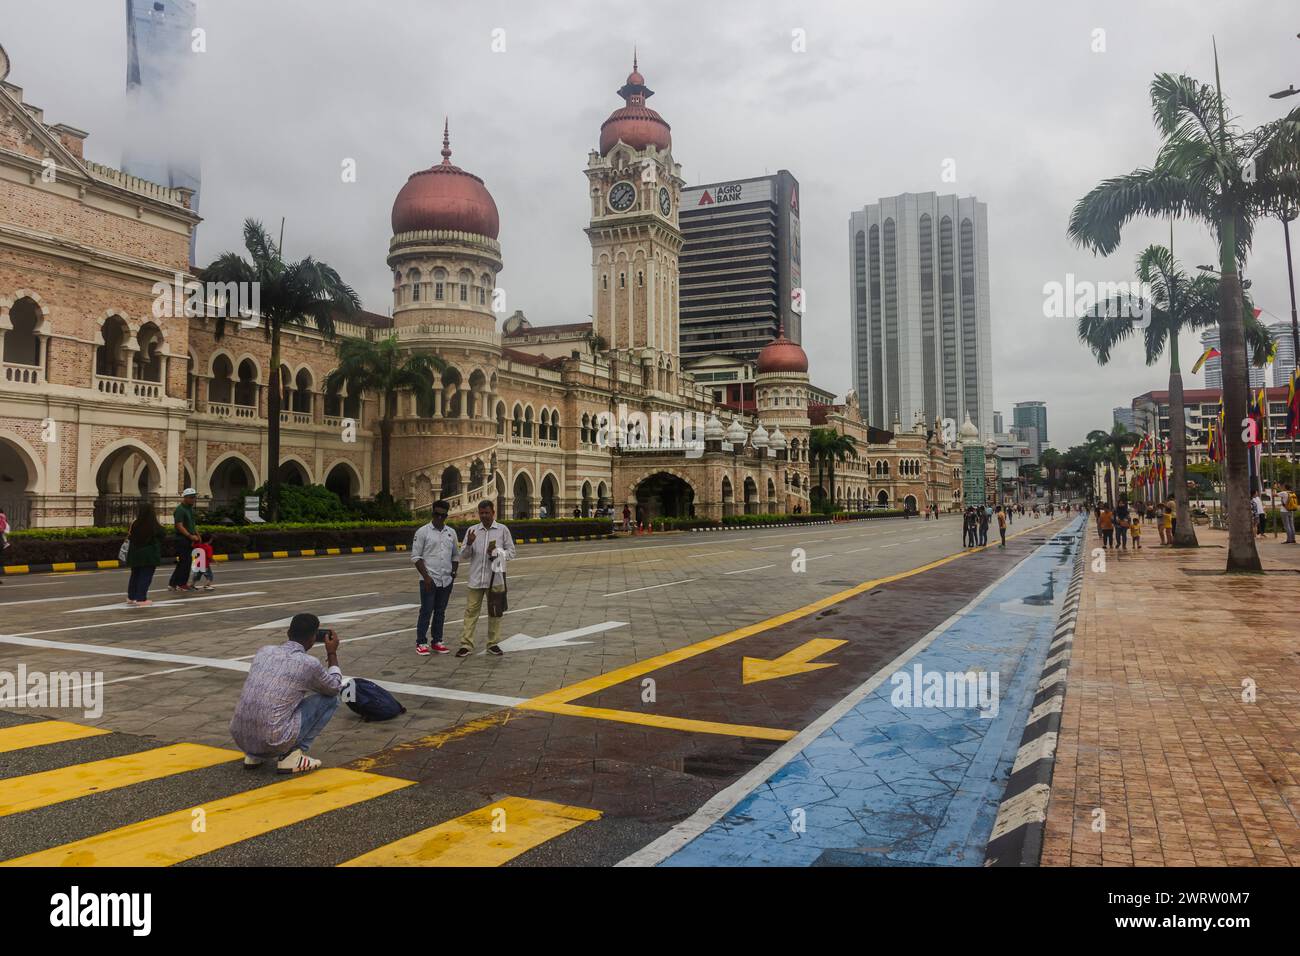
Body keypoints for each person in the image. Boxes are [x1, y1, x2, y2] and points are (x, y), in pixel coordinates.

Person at [229, 613, 343, 775]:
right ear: (313, 638)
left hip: (241, 737)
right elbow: (334, 687)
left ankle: (255, 756)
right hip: (273, 740)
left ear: (288, 633)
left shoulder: (264, 651)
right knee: (330, 699)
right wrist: (332, 653)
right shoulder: (308, 663)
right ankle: (292, 755)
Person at [456, 500, 516, 658]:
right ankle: (466, 644)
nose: (484, 516)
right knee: (470, 612)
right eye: (481, 513)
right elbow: (463, 555)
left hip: (494, 580)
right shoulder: (472, 530)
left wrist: (496, 552)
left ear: (493, 513)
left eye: (487, 513)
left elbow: (511, 552)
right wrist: (469, 543)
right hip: (475, 580)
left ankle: (493, 643)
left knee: (495, 613)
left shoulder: (502, 530)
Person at [411, 499, 458, 656]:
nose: (439, 518)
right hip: (429, 580)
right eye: (436, 514)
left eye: (442, 515)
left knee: (440, 611)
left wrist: (453, 574)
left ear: (446, 516)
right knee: (426, 611)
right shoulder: (423, 532)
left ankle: (437, 640)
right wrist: (426, 577)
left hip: (446, 580)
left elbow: (455, 556)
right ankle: (421, 642)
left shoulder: (451, 533)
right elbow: (416, 557)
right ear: (432, 513)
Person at [125, 502, 165, 606]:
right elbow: (162, 535)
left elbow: (130, 535)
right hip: (149, 555)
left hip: (135, 554)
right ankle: (141, 598)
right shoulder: (155, 525)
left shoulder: (135, 523)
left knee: (135, 575)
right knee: (145, 576)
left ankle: (131, 596)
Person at [167, 488, 201, 592]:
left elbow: (192, 524)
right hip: (182, 539)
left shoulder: (190, 509)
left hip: (189, 538)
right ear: (185, 498)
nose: (193, 499)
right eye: (191, 497)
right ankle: (181, 584)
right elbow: (179, 525)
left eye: (194, 497)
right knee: (185, 562)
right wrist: (190, 536)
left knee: (184, 562)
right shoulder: (180, 509)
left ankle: (173, 584)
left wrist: (198, 535)